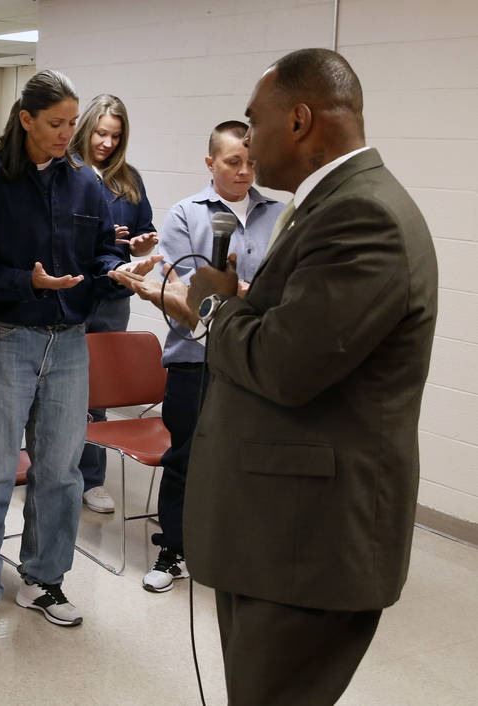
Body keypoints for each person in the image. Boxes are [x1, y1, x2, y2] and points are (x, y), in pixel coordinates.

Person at [114, 49, 437, 705]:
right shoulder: (332, 206)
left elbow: (283, 365)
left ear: (299, 120)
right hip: (281, 531)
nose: (249, 145)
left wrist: (209, 306)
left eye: (255, 124)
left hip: (307, 542)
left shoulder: (362, 216)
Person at [0, 70, 159, 642]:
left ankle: (44, 579)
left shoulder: (87, 185)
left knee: (62, 474)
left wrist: (120, 273)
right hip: (2, 339)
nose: (68, 134)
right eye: (56, 124)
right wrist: (29, 283)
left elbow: (96, 263)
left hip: (68, 345)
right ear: (26, 120)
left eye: (72, 123)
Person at [138, 120, 283, 592]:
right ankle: (172, 549)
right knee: (186, 456)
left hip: (255, 359)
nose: (244, 172)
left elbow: (283, 291)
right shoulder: (185, 214)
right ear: (210, 163)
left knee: (249, 457)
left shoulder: (280, 215)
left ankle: (236, 547)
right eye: (233, 162)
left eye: (251, 163)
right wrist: (235, 294)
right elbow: (183, 288)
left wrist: (236, 293)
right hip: (194, 357)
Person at [67, 94, 160, 514]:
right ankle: (51, 470)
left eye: (115, 136)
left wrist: (140, 243)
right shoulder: (64, 173)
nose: (106, 142)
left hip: (112, 297)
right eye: (101, 132)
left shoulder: (129, 180)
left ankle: (91, 477)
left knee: (96, 393)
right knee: (58, 390)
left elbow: (146, 229)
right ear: (86, 128)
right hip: (72, 293)